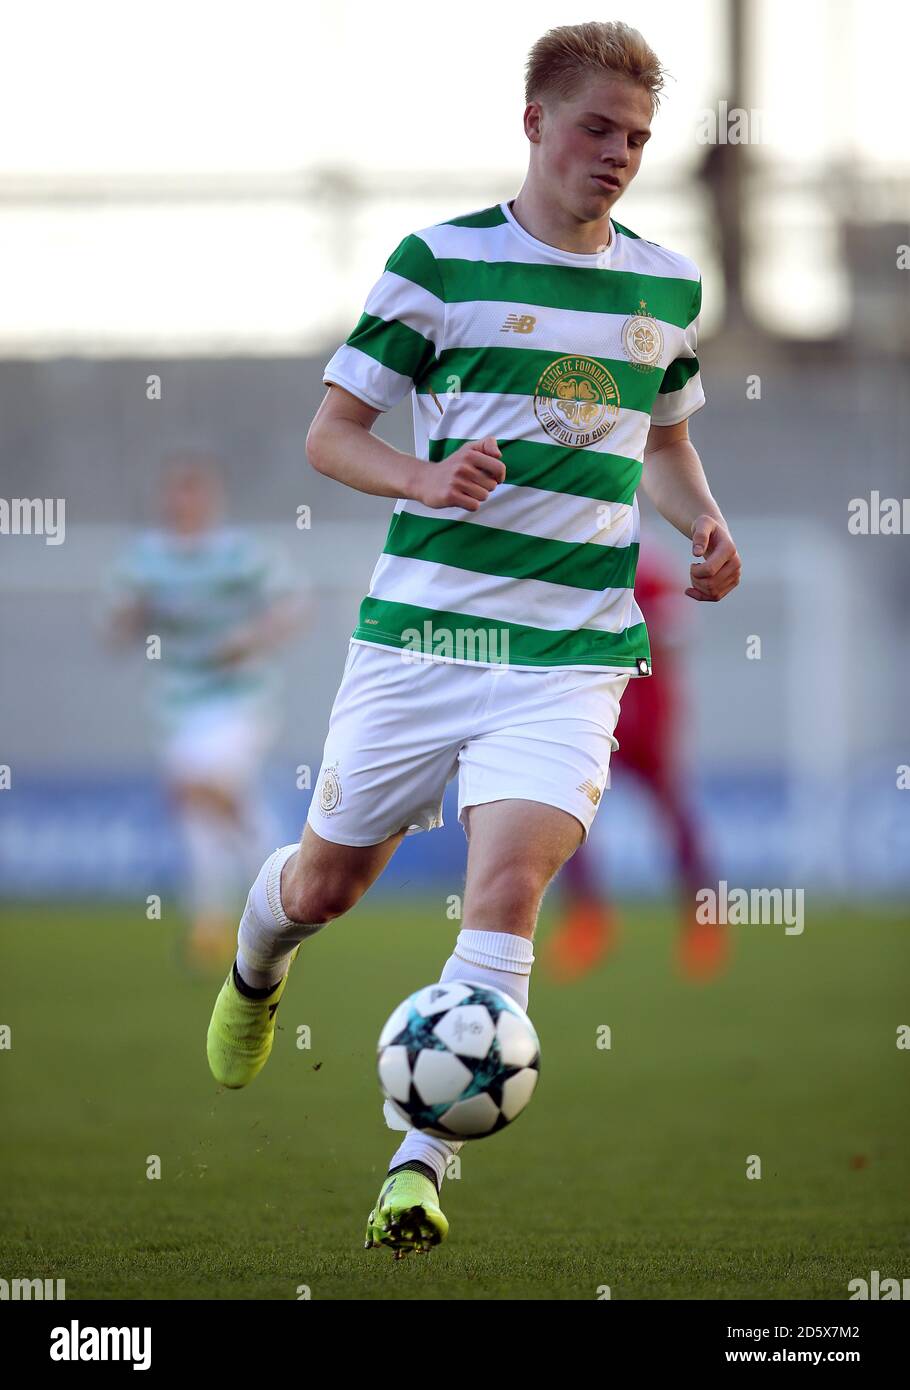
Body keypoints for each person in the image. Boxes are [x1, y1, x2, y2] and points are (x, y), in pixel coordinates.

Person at [206, 19, 741, 1256]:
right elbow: (330, 436)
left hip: (569, 655)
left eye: (638, 138)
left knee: (508, 888)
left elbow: (661, 440)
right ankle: (255, 965)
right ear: (535, 124)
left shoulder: (664, 283)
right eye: (597, 129)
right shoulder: (438, 265)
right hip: (422, 642)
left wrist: (703, 524)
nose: (617, 155)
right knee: (324, 885)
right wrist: (424, 476)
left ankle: (418, 1164)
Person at [107, 452, 309, 972]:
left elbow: (292, 604)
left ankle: (289, 885)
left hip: (241, 697)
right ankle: (224, 923)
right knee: (201, 817)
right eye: (176, 493)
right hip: (176, 706)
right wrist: (133, 616)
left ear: (211, 500)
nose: (184, 504)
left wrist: (252, 638)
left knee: (198, 784)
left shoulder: (240, 554)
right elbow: (114, 630)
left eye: (194, 493)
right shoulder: (145, 560)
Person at [543, 545, 726, 984]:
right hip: (588, 718)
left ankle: (704, 921)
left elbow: (679, 633)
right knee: (568, 816)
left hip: (647, 720)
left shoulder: (645, 568)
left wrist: (641, 631)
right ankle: (588, 921)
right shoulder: (571, 568)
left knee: (673, 814)